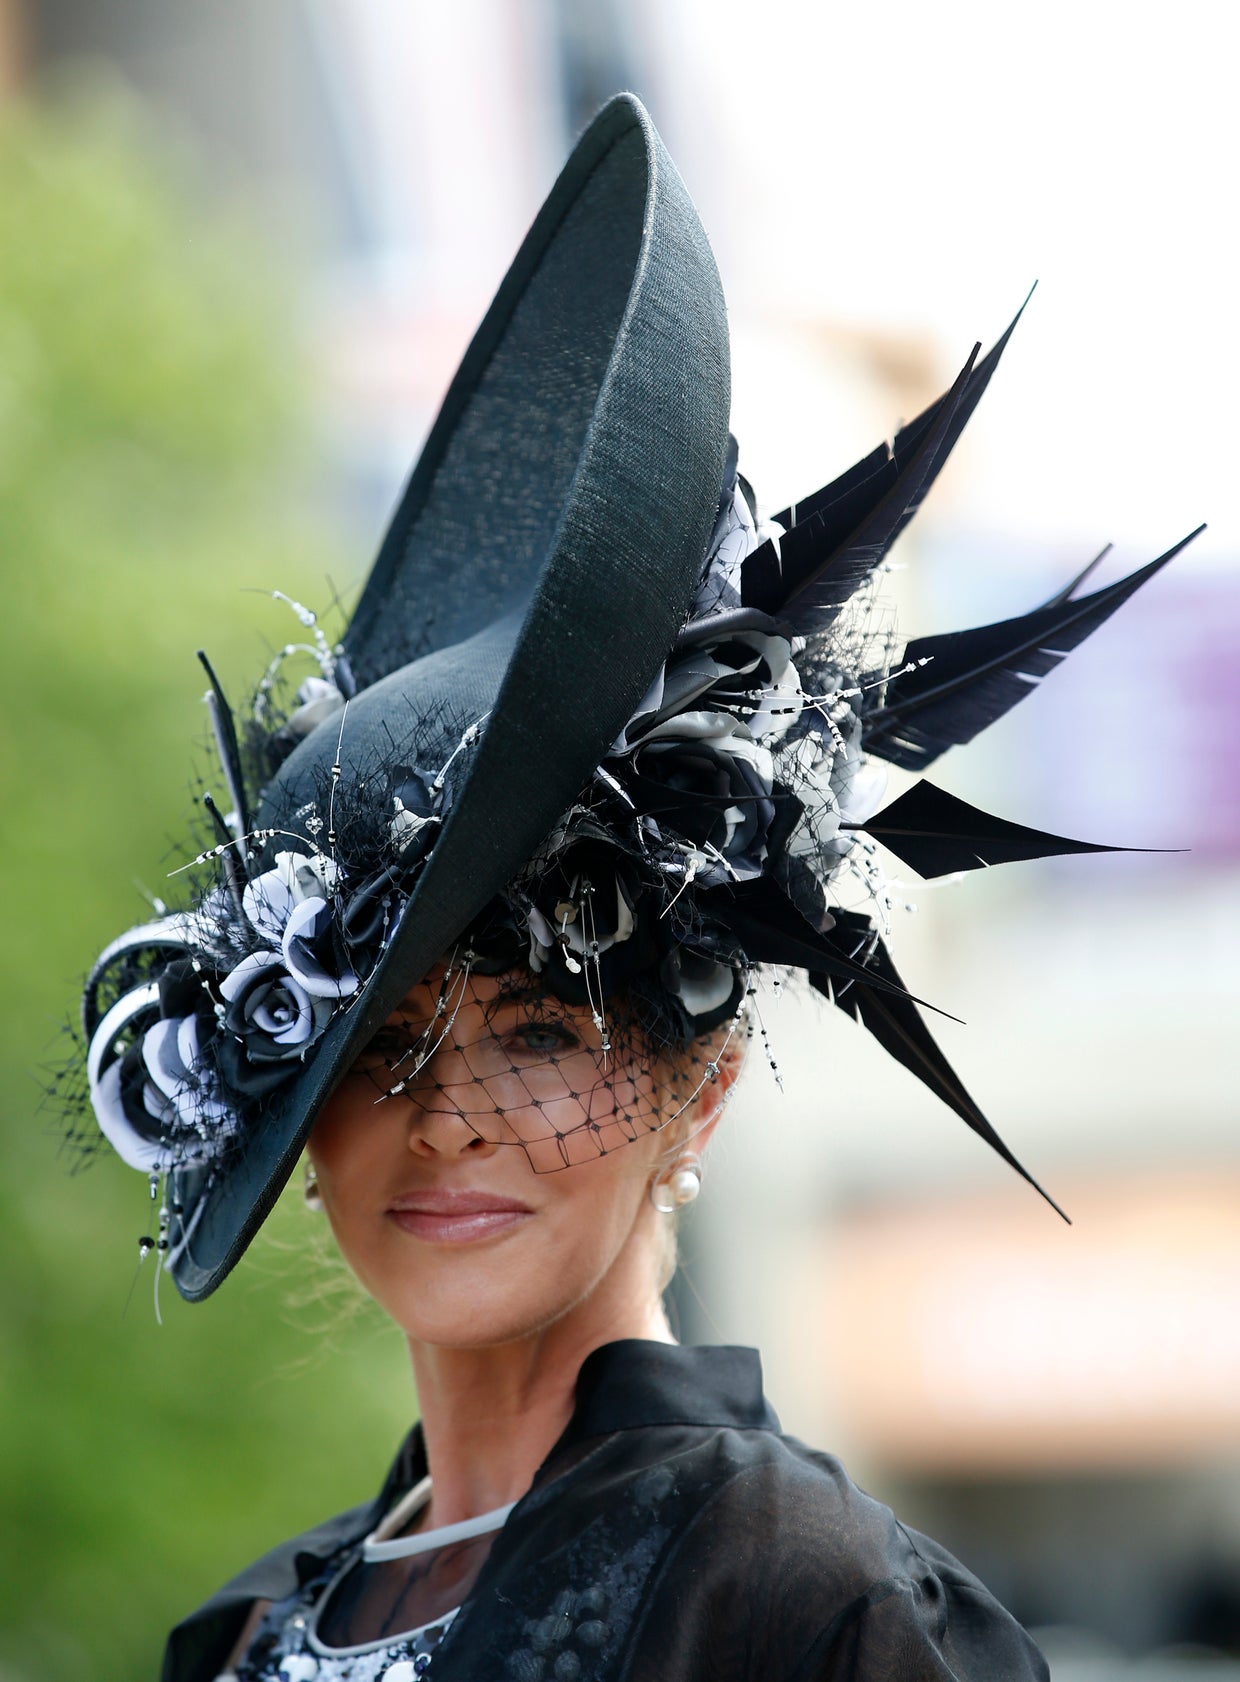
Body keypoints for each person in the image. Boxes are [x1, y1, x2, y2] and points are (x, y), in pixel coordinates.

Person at [75, 95, 1197, 1682]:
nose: (445, 1119)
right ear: (295, 1120)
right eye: (380, 1043)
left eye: (538, 1031)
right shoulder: (248, 1634)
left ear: (700, 1087)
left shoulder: (808, 1605)